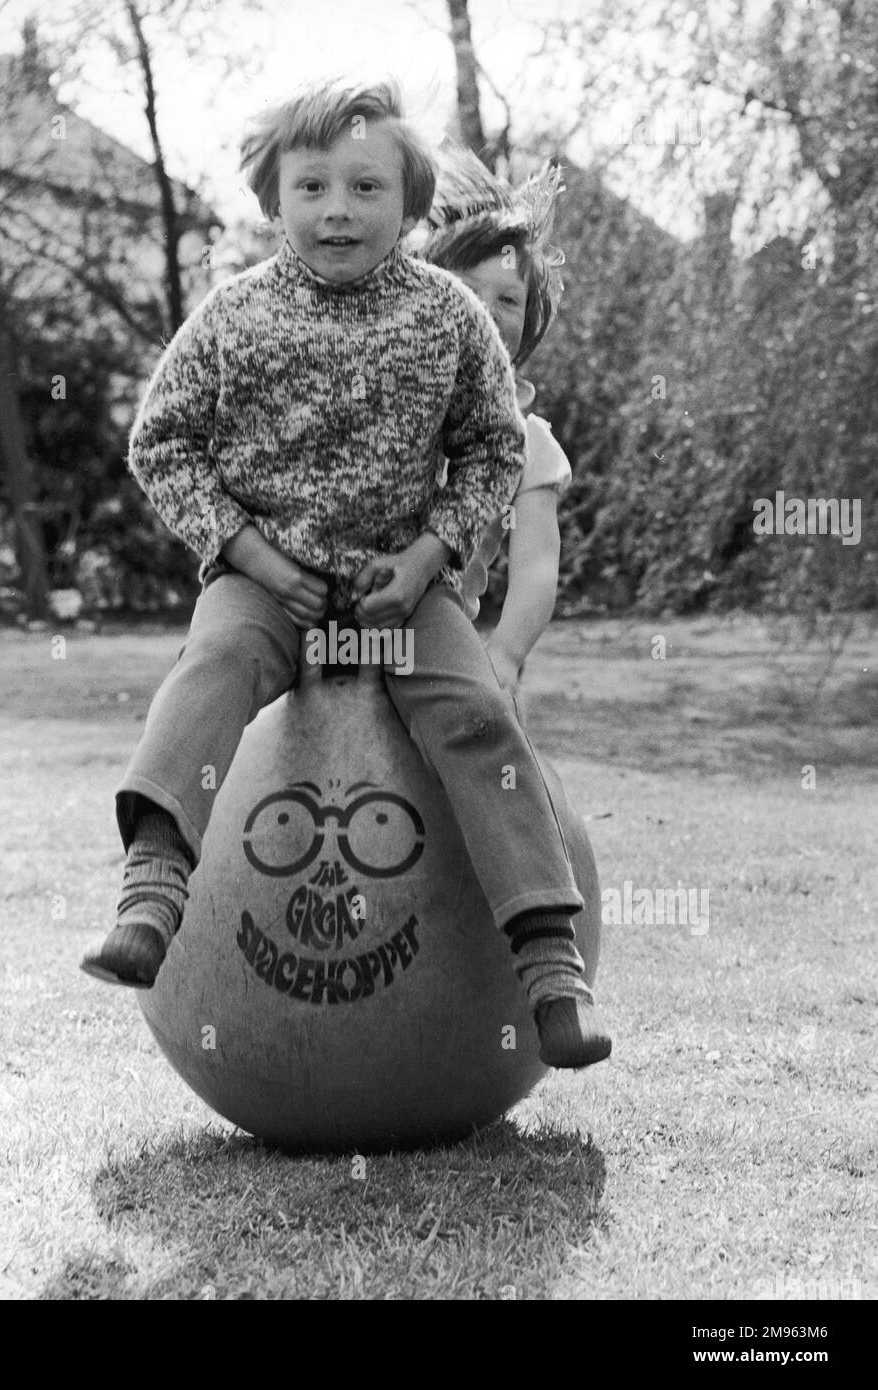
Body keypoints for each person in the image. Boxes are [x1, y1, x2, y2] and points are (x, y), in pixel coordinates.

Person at [80, 78, 611, 1069]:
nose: (337, 209)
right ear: (273, 199)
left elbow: (498, 450)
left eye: (367, 188)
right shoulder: (233, 317)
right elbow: (161, 443)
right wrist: (246, 555)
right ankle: (153, 883)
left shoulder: (448, 315)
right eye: (312, 185)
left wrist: (428, 557)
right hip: (264, 575)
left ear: (410, 210)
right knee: (212, 663)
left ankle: (548, 966)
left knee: (476, 715)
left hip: (398, 588)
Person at [420, 143, 572, 694]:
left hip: (442, 648)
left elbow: (535, 567)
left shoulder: (528, 442)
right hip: (339, 633)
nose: (482, 310)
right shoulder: (380, 403)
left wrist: (505, 655)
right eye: (464, 289)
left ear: (527, 322)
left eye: (507, 300)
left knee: (481, 748)